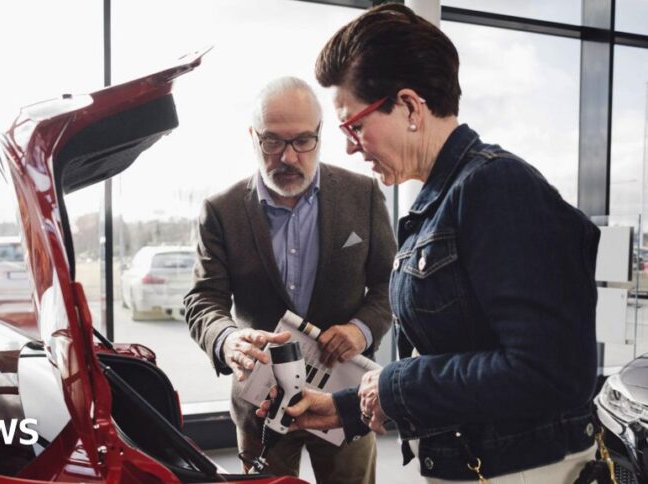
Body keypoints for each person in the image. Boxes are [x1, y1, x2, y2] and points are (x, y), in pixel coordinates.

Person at [257, 4, 601, 483]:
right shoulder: (435, 203)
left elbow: (553, 373)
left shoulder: (496, 187)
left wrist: (395, 386)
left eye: (354, 125)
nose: (351, 147)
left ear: (411, 107)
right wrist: (343, 408)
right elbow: (457, 353)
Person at [184, 76, 397, 483]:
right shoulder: (221, 210)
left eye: (302, 141)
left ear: (320, 136)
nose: (288, 157)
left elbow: (392, 285)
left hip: (345, 397)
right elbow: (202, 300)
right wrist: (229, 340)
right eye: (273, 142)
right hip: (260, 404)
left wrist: (361, 329)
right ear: (252, 137)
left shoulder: (363, 194)